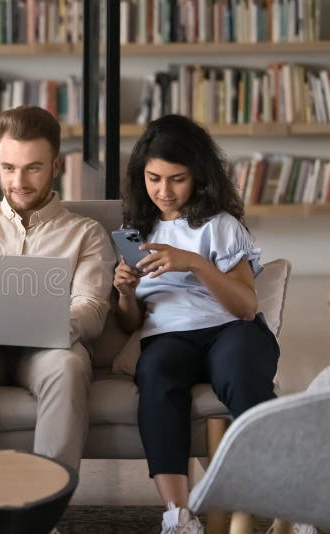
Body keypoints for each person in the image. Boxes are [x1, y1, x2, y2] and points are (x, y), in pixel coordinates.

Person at [113, 114, 279, 534]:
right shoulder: (135, 231)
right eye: (153, 178)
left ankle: (288, 504)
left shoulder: (219, 226)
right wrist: (125, 293)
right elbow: (131, 321)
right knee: (156, 376)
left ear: (199, 178)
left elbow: (244, 306)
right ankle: (178, 515)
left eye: (177, 179)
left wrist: (195, 264)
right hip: (167, 335)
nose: (164, 192)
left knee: (241, 371)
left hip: (229, 329)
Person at [0, 106, 115, 470]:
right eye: (8, 168)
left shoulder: (86, 233)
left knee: (69, 365)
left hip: (50, 351)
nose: (18, 181)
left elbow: (91, 309)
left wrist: (41, 327)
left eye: (33, 168)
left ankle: (45, 512)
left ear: (55, 166)